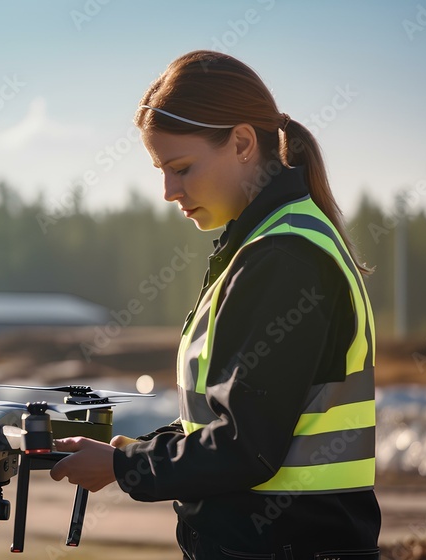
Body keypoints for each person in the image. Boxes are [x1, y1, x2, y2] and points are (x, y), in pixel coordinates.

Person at [49, 50, 382, 559]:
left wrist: (123, 468)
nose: (167, 191)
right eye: (162, 171)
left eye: (181, 168)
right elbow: (233, 419)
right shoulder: (276, 244)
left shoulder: (282, 259)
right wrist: (130, 452)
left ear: (243, 142)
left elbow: (247, 446)